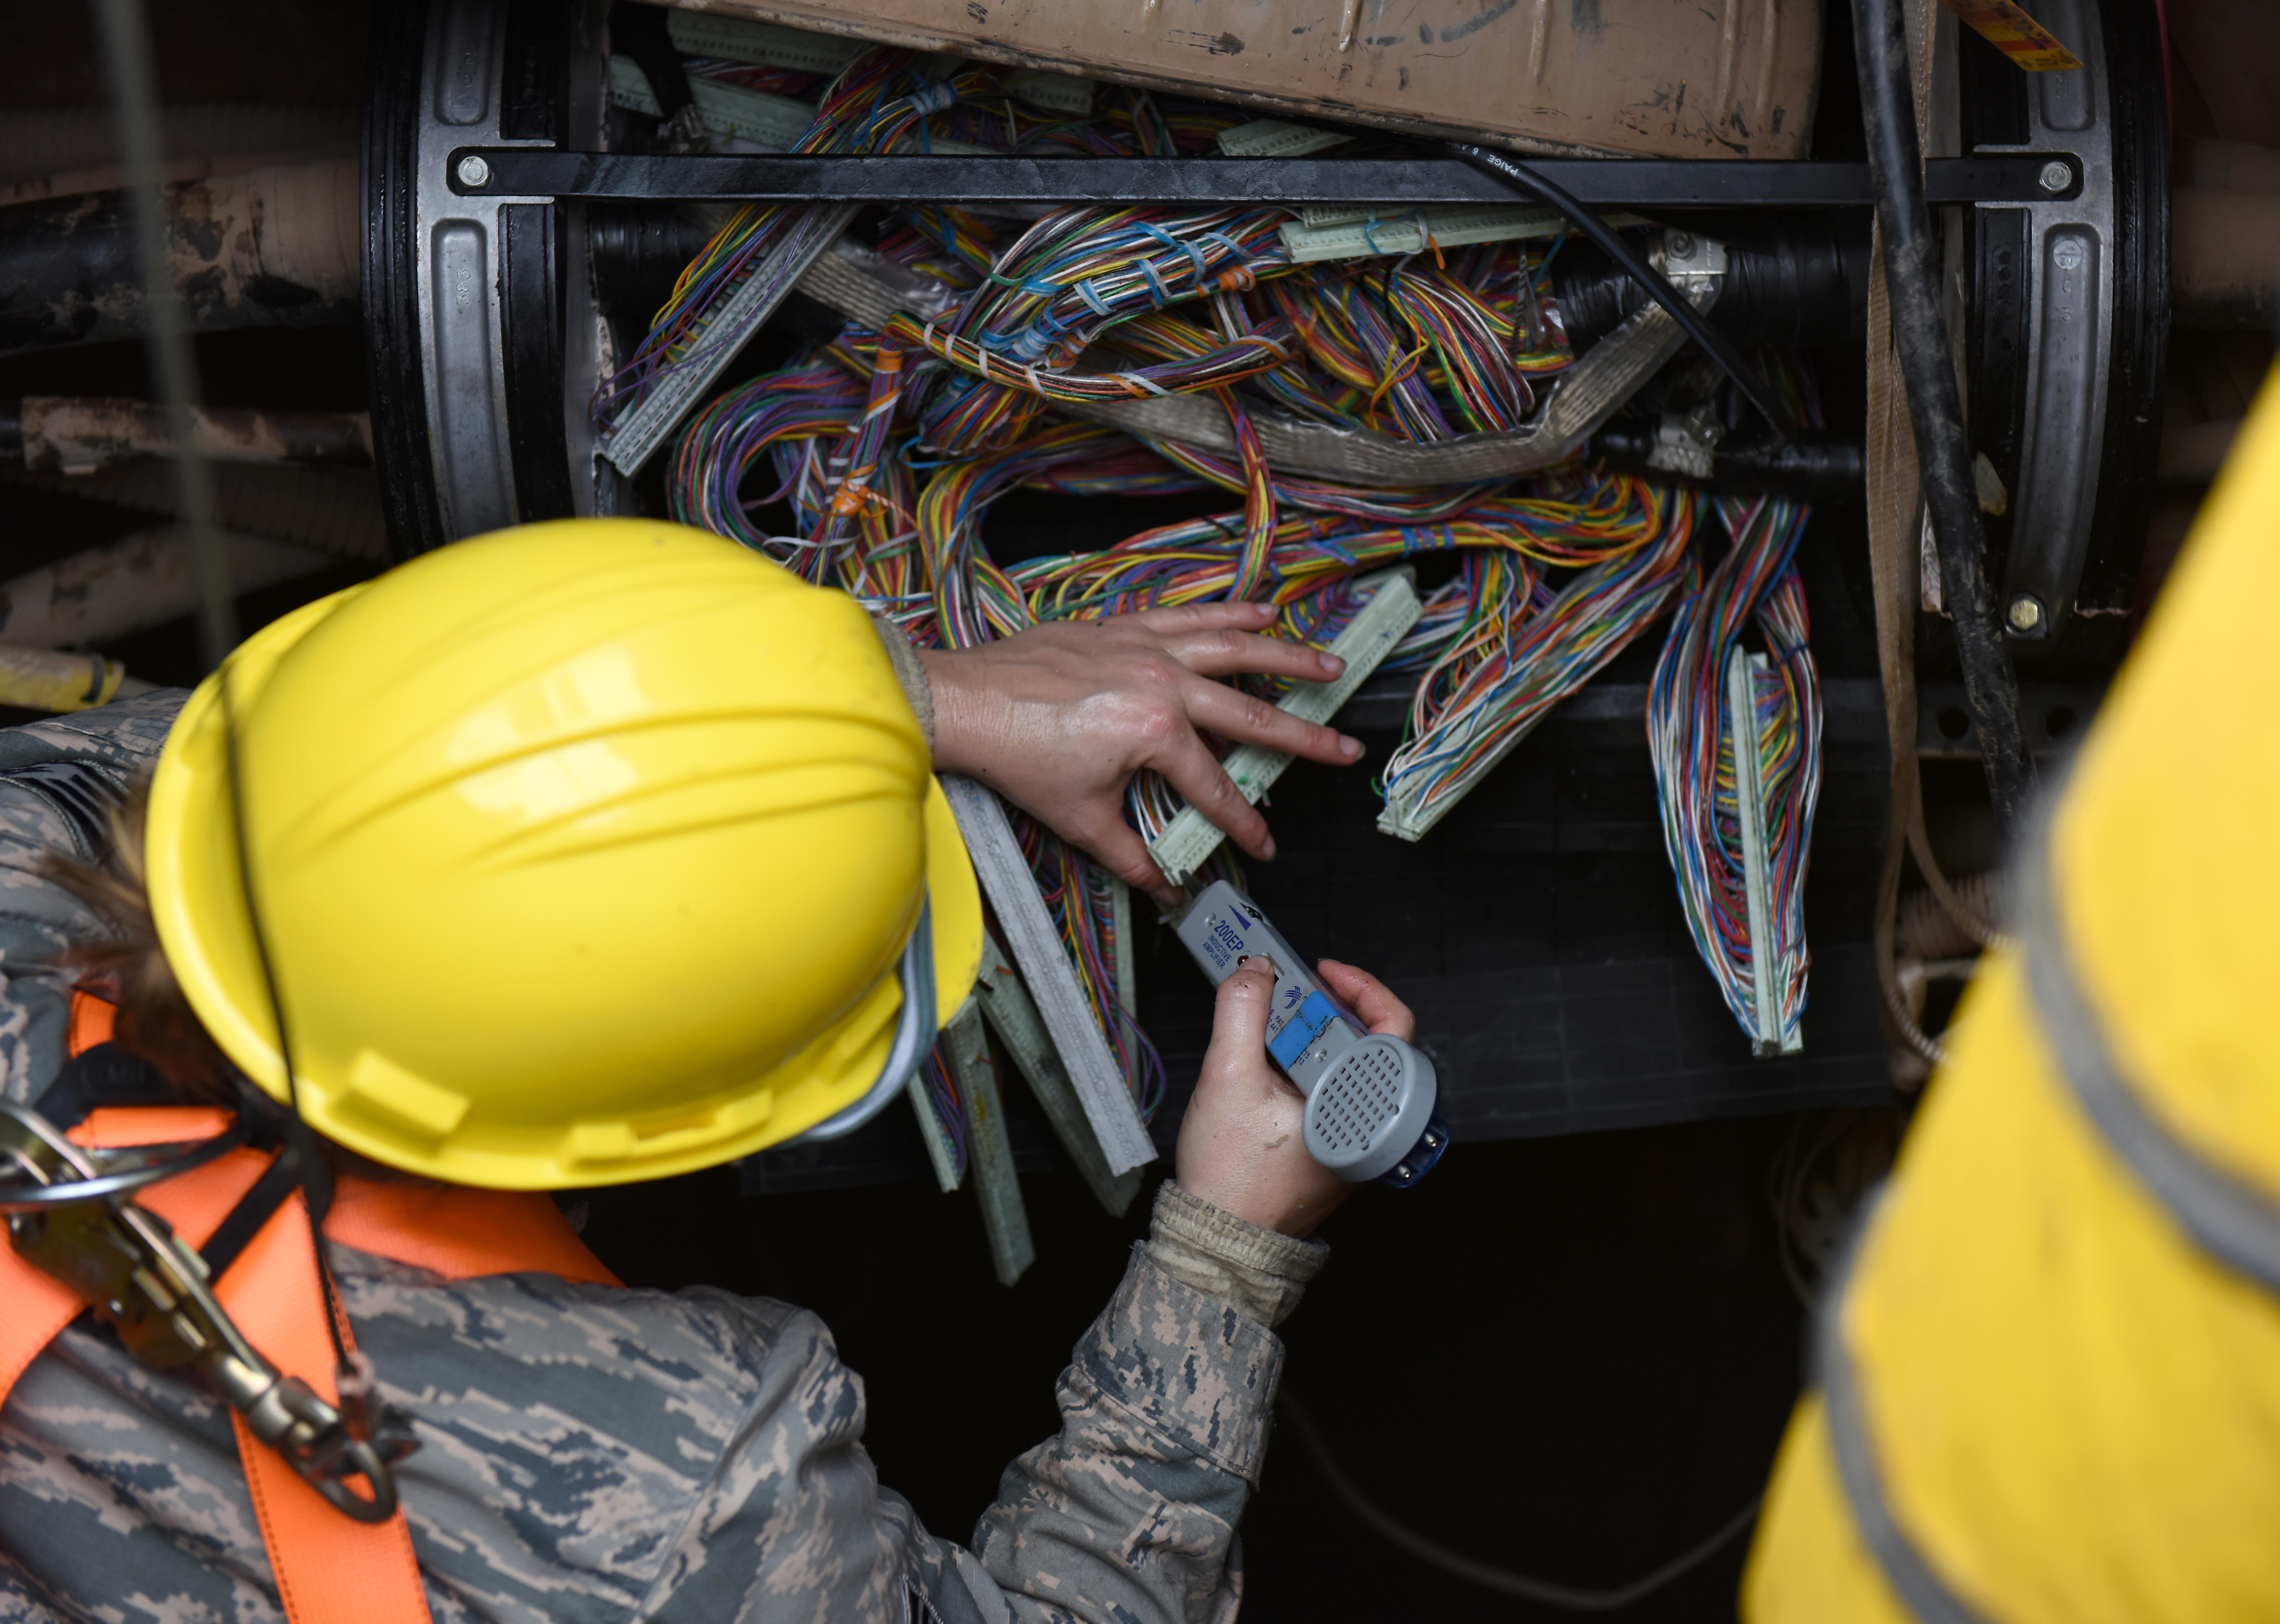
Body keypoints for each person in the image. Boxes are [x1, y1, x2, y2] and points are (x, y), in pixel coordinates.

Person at [0, 519, 1414, 1624]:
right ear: (658, 1134)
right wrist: (1223, 1260)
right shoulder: (677, 1488)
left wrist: (879, 702)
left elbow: (343, 766)